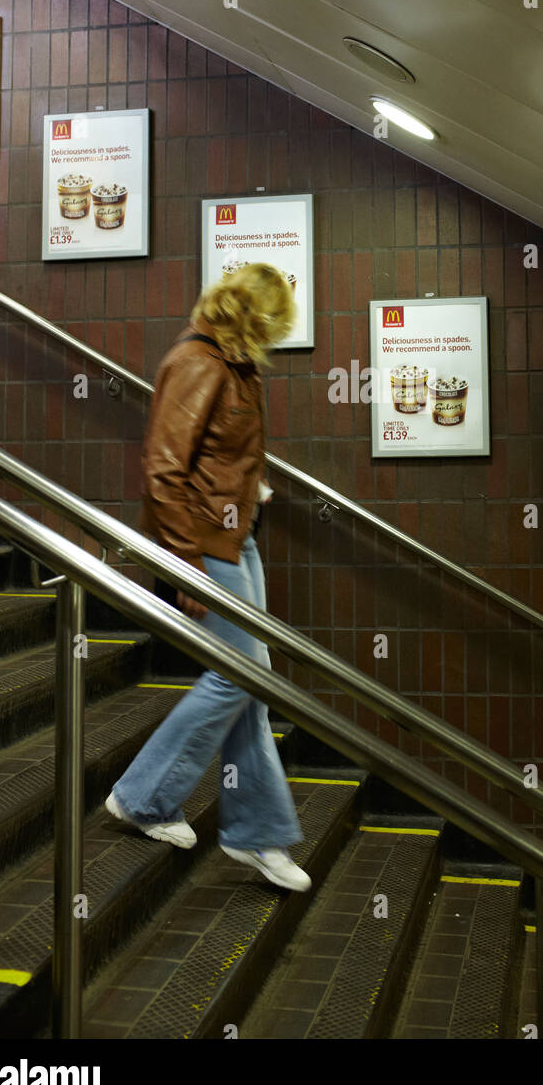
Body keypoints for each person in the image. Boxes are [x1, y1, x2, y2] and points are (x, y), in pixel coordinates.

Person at [106, 263, 311, 892]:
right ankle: (141, 797)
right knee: (235, 676)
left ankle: (256, 833)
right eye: (275, 326)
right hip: (204, 544)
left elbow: (219, 455)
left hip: (234, 535)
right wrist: (185, 566)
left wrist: (250, 488)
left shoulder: (235, 364)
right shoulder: (198, 362)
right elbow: (164, 471)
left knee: (251, 679)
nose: (276, 340)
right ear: (255, 319)